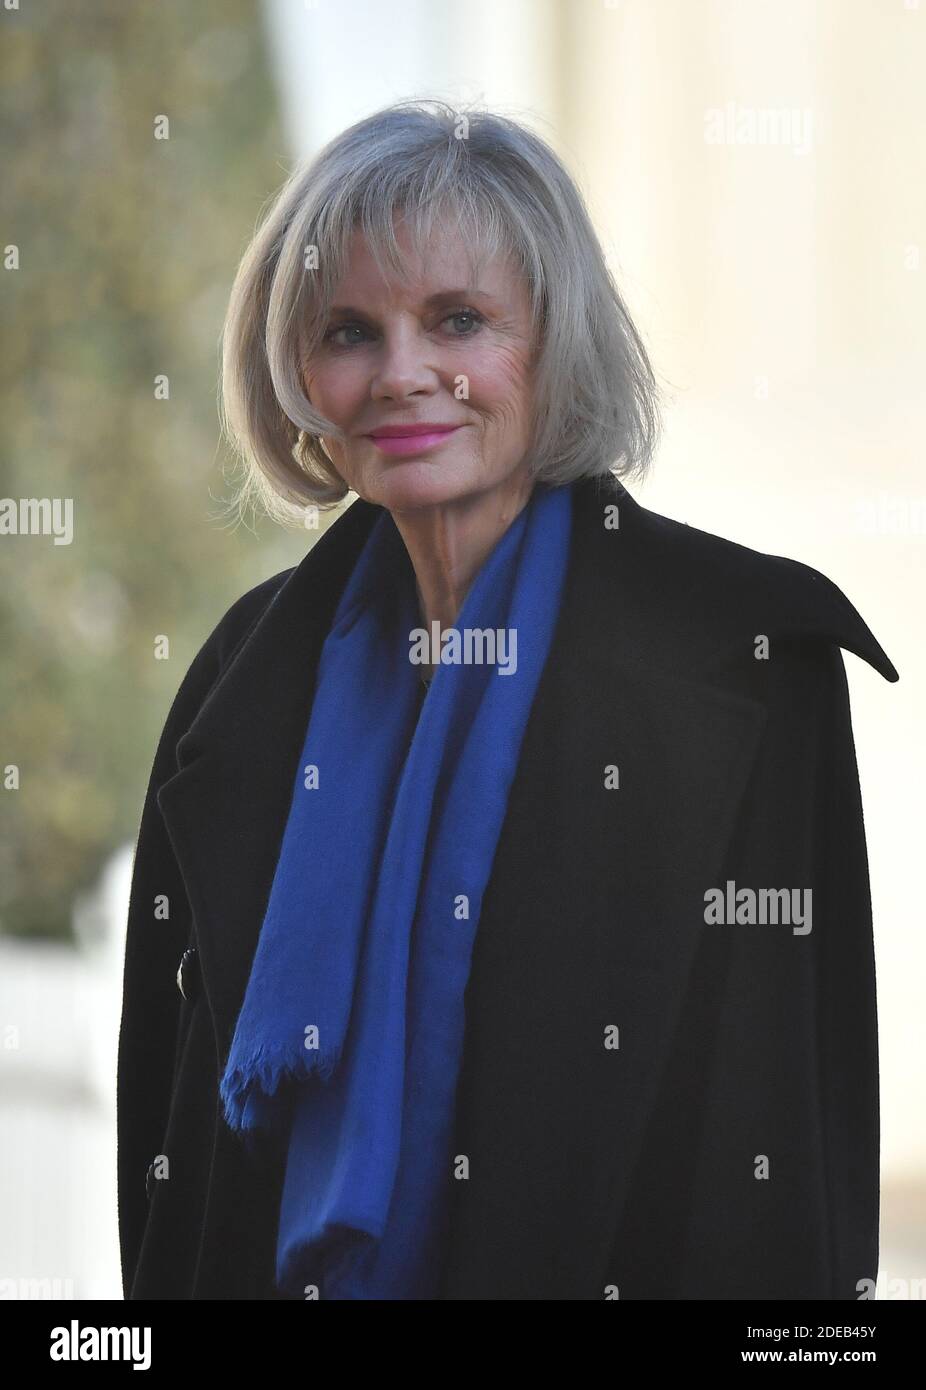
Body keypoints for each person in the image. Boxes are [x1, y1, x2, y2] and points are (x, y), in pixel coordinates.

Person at [116, 100, 898, 1301]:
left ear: (555, 343)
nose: (402, 375)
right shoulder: (242, 670)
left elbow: (778, 1154)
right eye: (348, 331)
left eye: (459, 319)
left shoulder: (741, 654)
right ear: (297, 377)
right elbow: (167, 1154)